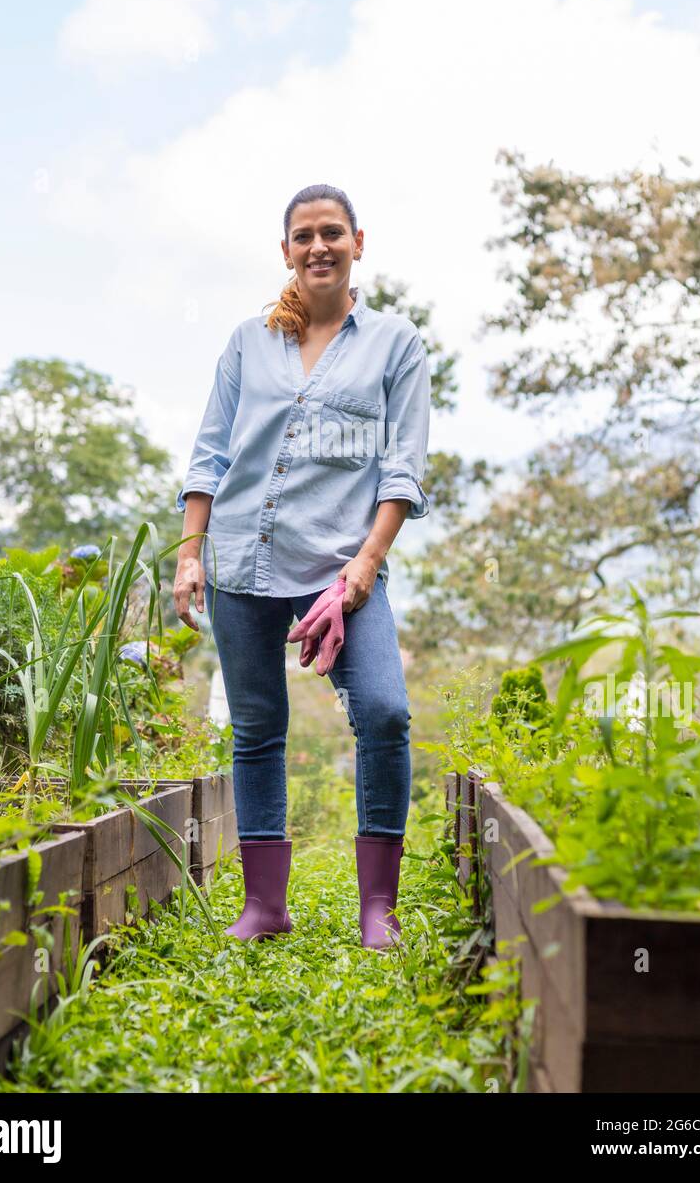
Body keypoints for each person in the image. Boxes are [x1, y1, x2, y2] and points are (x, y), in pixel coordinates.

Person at [173, 183, 431, 950]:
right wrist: (190, 552)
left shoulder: (396, 344)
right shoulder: (249, 341)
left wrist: (362, 571)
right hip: (240, 562)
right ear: (285, 250)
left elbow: (404, 470)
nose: (318, 246)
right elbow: (211, 452)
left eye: (332, 233)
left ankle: (377, 906)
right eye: (303, 235)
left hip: (339, 572)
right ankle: (265, 906)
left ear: (359, 241)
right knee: (256, 727)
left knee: (384, 712)